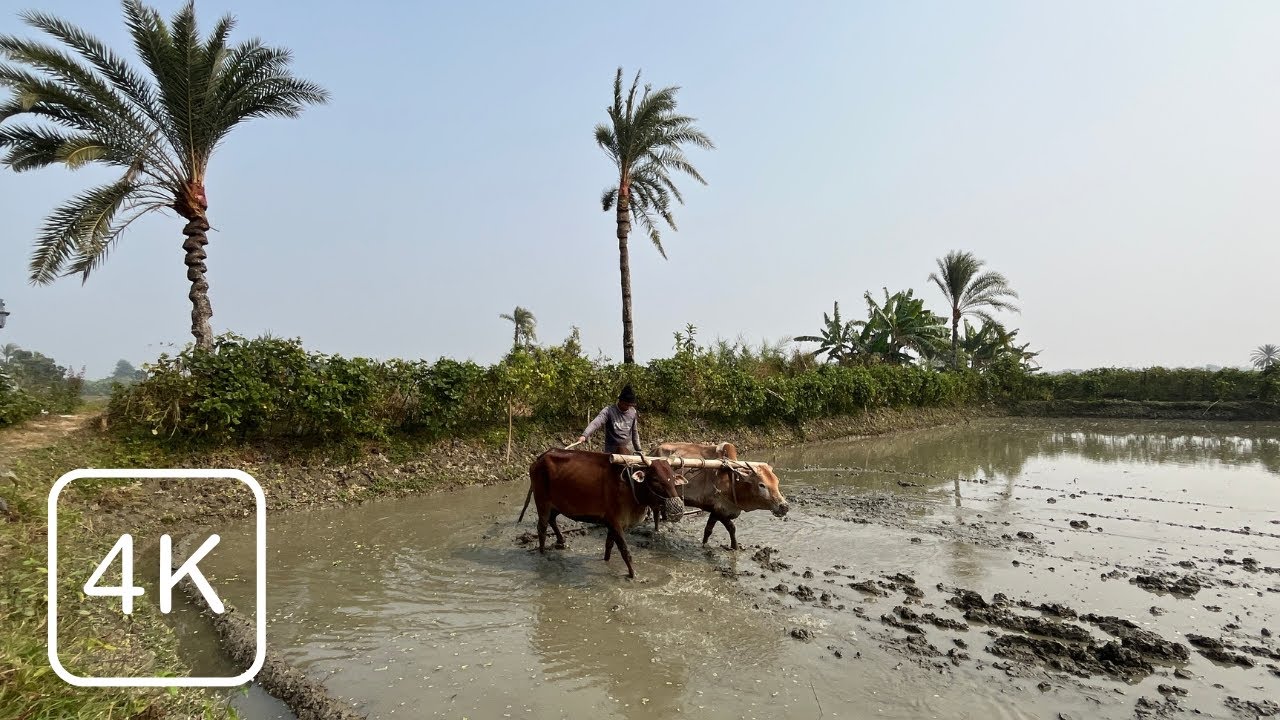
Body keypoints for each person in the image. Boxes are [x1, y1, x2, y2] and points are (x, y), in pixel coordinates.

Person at [578, 384, 642, 455]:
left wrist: (638, 449)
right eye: (626, 405)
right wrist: (585, 435)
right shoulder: (608, 411)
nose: (628, 407)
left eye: (630, 405)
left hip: (628, 449)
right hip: (612, 450)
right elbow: (596, 423)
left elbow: (635, 431)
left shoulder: (633, 412)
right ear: (620, 401)